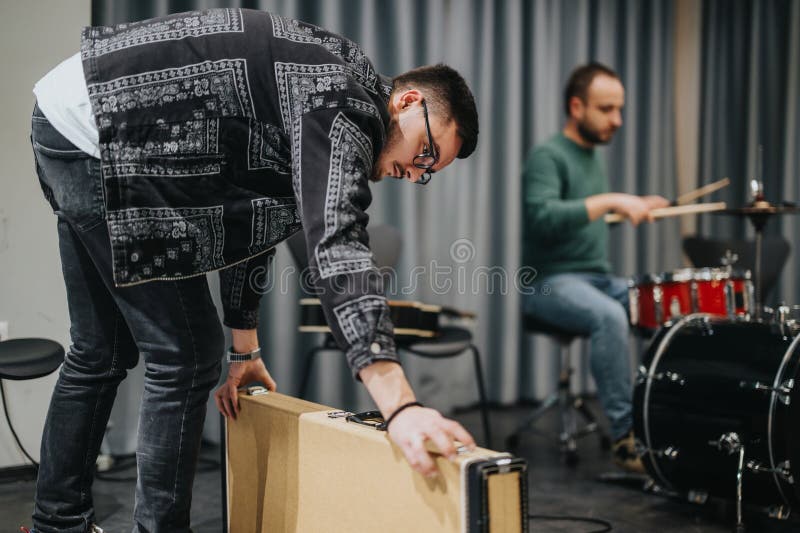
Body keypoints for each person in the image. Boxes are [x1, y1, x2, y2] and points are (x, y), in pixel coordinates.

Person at [27, 8, 478, 532]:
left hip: (66, 117)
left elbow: (255, 216)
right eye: (426, 152)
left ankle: (56, 524)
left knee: (100, 350)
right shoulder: (345, 107)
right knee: (186, 354)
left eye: (429, 172)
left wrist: (245, 348)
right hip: (101, 131)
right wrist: (399, 406)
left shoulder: (330, 83)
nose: (414, 172)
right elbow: (337, 245)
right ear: (407, 100)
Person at [520, 63, 668, 472]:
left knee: (662, 306)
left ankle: (672, 422)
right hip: (547, 283)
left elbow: (583, 215)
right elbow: (543, 218)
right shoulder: (548, 156)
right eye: (606, 109)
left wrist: (633, 204)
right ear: (576, 106)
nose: (617, 120)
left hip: (597, 278)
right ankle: (625, 438)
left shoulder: (591, 157)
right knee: (610, 316)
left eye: (619, 109)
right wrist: (613, 200)